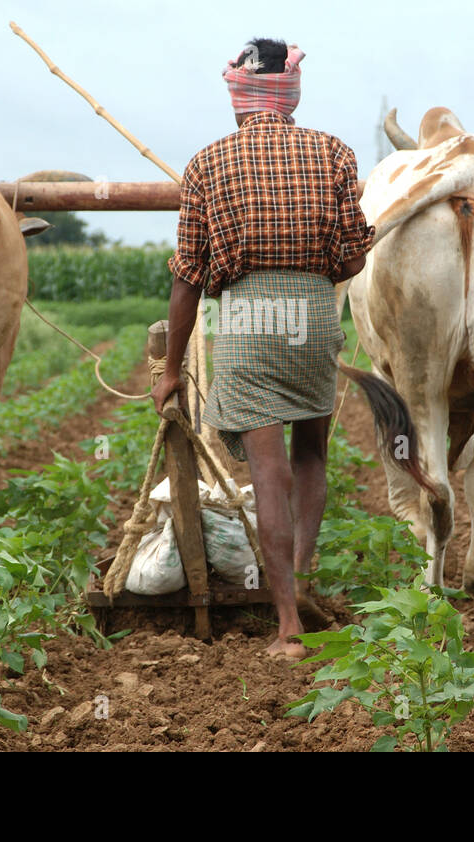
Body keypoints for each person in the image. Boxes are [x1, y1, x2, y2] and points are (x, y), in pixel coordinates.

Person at [152, 38, 374, 659]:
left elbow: (188, 278)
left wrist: (171, 370)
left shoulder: (205, 165)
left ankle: (286, 628)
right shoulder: (334, 153)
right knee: (311, 457)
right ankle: (302, 580)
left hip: (248, 318)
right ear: (290, 92)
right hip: (312, 316)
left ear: (237, 98)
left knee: (268, 475)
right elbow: (353, 256)